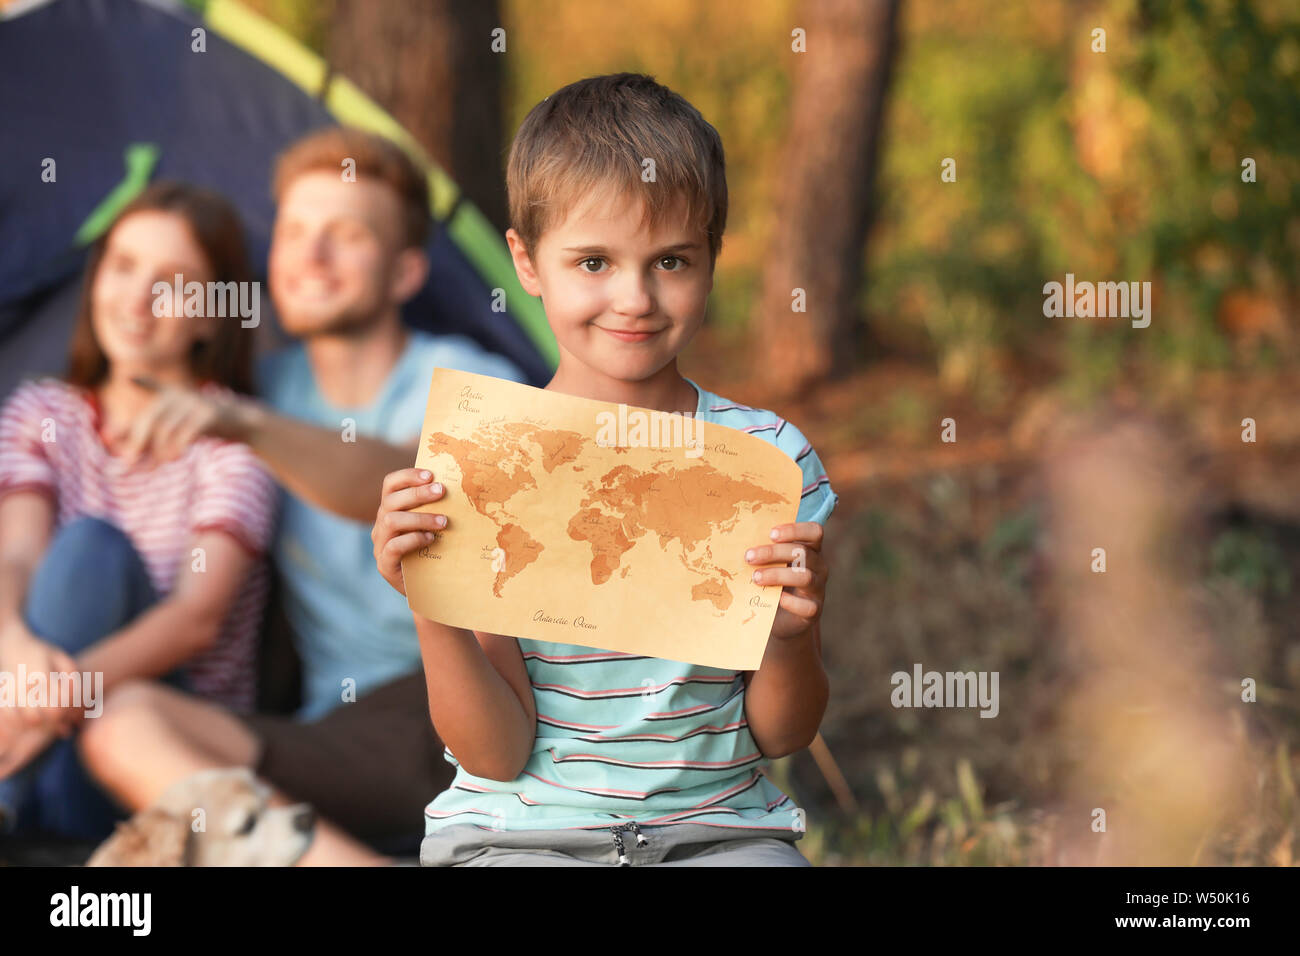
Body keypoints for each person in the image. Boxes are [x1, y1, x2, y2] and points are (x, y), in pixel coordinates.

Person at [371, 73, 839, 867]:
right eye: (593, 261)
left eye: (672, 262)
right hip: (520, 836)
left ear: (712, 261)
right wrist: (434, 608)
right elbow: (495, 753)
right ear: (525, 261)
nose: (634, 298)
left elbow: (783, 733)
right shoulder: (489, 458)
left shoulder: (771, 461)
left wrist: (792, 638)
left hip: (722, 833)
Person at [79, 128, 526, 865]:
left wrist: (245, 425)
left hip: (469, 705)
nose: (310, 258)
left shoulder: (470, 386)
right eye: (293, 233)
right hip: (337, 736)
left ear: (406, 272)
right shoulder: (265, 386)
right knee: (121, 721)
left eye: (344, 236)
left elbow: (400, 482)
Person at [0, 183, 278, 840]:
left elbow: (195, 621)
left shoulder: (236, 444)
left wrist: (46, 700)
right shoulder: (42, 413)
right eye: (123, 267)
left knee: (94, 547)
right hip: (26, 732)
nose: (136, 299)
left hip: (138, 752)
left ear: (211, 315)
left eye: (173, 283)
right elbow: (17, 555)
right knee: (62, 569)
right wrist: (13, 644)